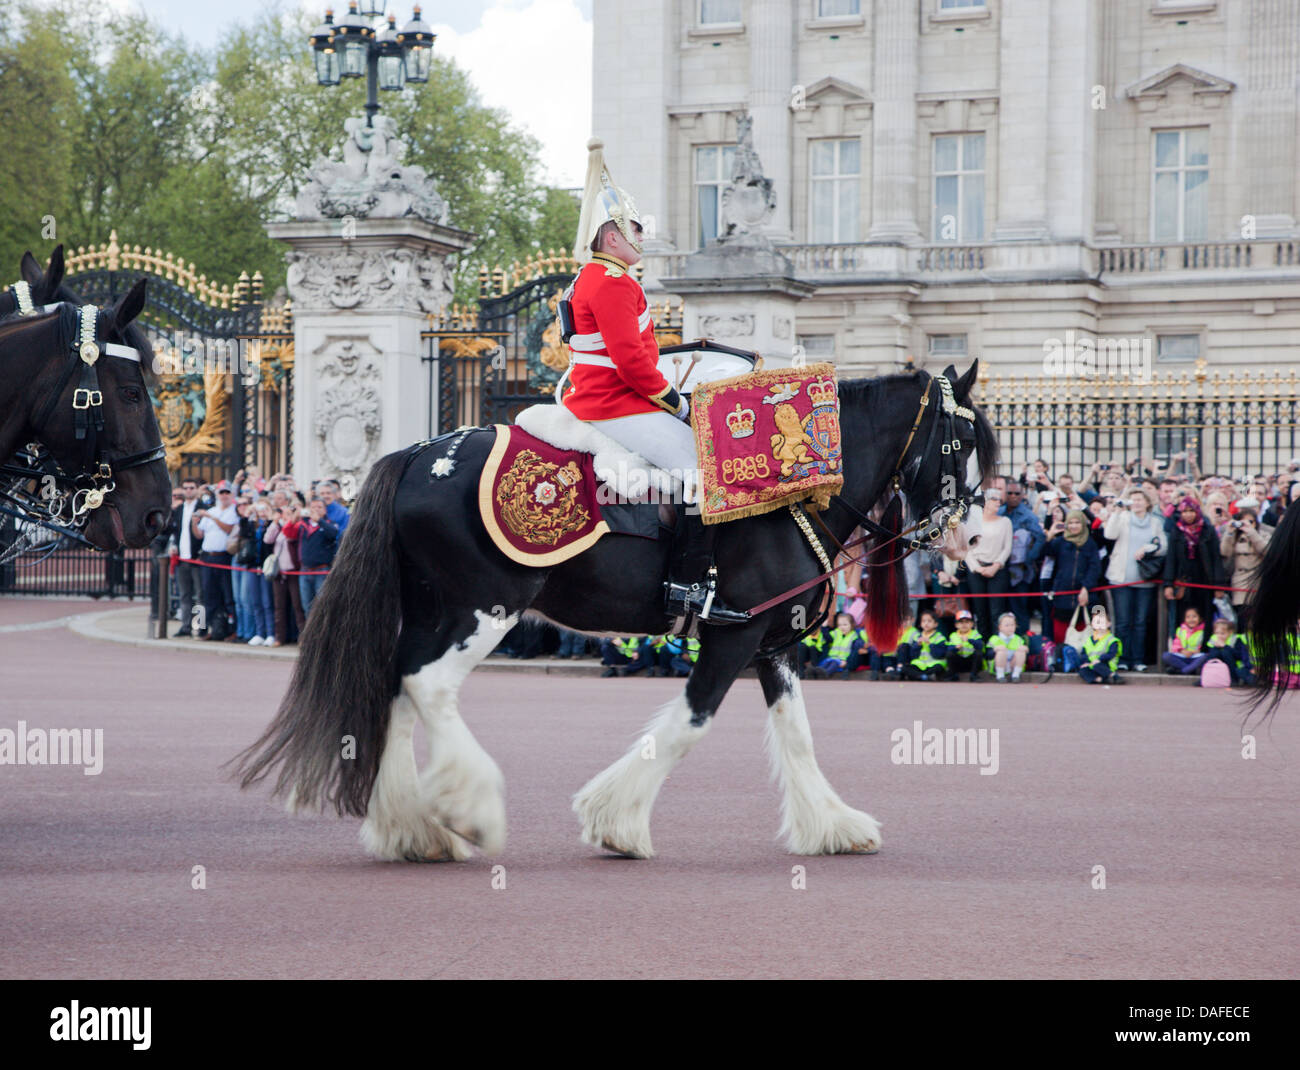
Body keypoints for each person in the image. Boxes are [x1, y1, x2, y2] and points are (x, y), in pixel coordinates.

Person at [559, 138, 747, 625]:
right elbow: (632, 365)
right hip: (614, 402)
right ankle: (686, 590)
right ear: (612, 235)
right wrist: (678, 405)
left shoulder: (593, 277)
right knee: (701, 474)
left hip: (607, 395)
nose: (641, 234)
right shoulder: (615, 282)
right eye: (634, 227)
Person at [1101, 487, 1166, 672]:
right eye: (1133, 499)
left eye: (1139, 499)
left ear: (1147, 503)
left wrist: (1148, 548)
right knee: (1122, 621)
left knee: (1140, 622)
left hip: (1144, 579)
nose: (1136, 503)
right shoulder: (1122, 518)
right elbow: (1109, 535)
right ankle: (1121, 658)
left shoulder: (1155, 522)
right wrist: (1116, 511)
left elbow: (1163, 546)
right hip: (1121, 579)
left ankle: (1137, 659)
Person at [1163, 496, 1225, 642]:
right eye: (1185, 511)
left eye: (1191, 511)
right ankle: (1183, 649)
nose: (1188, 515)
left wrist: (1219, 585)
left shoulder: (1207, 530)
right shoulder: (1177, 531)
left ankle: (1203, 650)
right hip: (1184, 581)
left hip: (1205, 580)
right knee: (1184, 616)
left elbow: (1216, 558)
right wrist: (1168, 584)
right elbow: (1171, 558)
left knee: (1205, 615)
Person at [1041, 510, 1100, 648]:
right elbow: (1044, 553)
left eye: (1077, 522)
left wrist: (1086, 587)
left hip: (1083, 596)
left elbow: (1094, 568)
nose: (1074, 526)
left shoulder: (1090, 544)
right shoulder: (1060, 542)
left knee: (1082, 632)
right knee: (1060, 633)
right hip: (1062, 596)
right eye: (1071, 523)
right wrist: (1049, 536)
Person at [961, 488, 1012, 637]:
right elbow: (966, 547)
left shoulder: (1005, 522)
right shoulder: (972, 521)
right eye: (995, 499)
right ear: (985, 501)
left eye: (1000, 500)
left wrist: (996, 565)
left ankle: (996, 645)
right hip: (976, 570)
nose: (998, 503)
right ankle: (982, 645)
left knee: (997, 611)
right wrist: (977, 568)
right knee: (980, 611)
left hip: (997, 570)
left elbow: (1007, 548)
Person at [192, 483, 238, 640]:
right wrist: (194, 522)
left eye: (227, 493)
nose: (224, 495)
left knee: (227, 594)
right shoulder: (211, 511)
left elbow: (228, 529)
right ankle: (207, 628)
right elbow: (199, 534)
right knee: (207, 594)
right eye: (221, 493)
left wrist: (212, 517)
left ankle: (232, 629)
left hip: (223, 556)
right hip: (208, 556)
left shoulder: (233, 512)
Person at [1000, 480, 1046, 634]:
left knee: (1019, 608)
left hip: (1020, 571)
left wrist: (1028, 559)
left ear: (1022, 495)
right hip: (1000, 567)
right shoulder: (999, 512)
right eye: (1010, 493)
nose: (1013, 496)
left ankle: (1022, 643)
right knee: (1001, 608)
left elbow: (1040, 538)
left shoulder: (1028, 516)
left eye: (1016, 493)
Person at [1219, 507, 1270, 633]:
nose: (1247, 525)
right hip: (1240, 580)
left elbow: (1268, 552)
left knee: (1257, 618)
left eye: (1251, 522)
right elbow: (1224, 552)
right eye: (1243, 522)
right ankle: (1243, 649)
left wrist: (1252, 533)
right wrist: (1229, 533)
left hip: (1257, 580)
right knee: (1242, 618)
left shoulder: (1263, 534)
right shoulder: (1235, 535)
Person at [264, 504, 306, 646]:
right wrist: (275, 522)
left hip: (293, 571)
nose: (285, 516)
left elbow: (291, 535)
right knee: (279, 606)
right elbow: (267, 539)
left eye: (289, 513)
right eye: (284, 513)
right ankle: (279, 637)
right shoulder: (278, 528)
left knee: (298, 606)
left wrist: (292, 521)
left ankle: (303, 637)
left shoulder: (296, 526)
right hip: (279, 573)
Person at [291, 497, 339, 616]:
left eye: (319, 507)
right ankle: (310, 634)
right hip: (304, 570)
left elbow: (334, 534)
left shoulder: (329, 523)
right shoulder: (302, 524)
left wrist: (319, 521)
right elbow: (288, 532)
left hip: (321, 570)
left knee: (322, 606)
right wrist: (294, 518)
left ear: (325, 510)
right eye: (313, 507)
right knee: (306, 606)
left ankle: (323, 634)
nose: (316, 509)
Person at [170, 477, 202, 636]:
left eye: (191, 487)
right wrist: (174, 546)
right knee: (185, 595)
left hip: (197, 559)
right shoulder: (180, 509)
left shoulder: (204, 508)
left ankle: (201, 627)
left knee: (200, 595)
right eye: (186, 488)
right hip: (182, 558)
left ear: (197, 489)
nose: (189, 490)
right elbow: (176, 531)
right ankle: (186, 626)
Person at [807, 612, 866, 679]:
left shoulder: (854, 636)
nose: (842, 627)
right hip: (831, 658)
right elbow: (827, 637)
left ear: (852, 625)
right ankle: (815, 672)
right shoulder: (836, 633)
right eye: (839, 625)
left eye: (845, 625)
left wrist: (847, 662)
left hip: (842, 661)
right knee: (826, 663)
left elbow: (854, 652)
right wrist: (824, 626)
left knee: (834, 664)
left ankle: (825, 674)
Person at [1078, 605, 1124, 685]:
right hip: (1092, 664)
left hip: (1106, 664)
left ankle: (1114, 676)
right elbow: (1084, 653)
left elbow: (1111, 654)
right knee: (1082, 669)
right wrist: (1086, 662)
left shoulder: (1111, 639)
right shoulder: (1089, 640)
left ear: (1109, 624)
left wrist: (1099, 660)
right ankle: (1100, 679)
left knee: (1098, 666)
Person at [898, 610, 949, 681]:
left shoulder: (940, 637)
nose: (926, 624)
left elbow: (939, 655)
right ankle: (924, 676)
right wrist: (917, 645)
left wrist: (930, 644)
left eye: (929, 621)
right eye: (924, 621)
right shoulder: (917, 636)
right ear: (920, 624)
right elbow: (913, 656)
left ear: (936, 624)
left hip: (934, 663)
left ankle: (923, 676)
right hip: (920, 664)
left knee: (938, 668)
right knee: (905, 668)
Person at [1204, 618, 1254, 688]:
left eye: (1222, 633)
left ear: (1230, 632)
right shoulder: (1213, 639)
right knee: (1214, 654)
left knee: (1225, 652)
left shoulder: (1236, 639)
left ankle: (1233, 679)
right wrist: (1216, 648)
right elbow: (1210, 657)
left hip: (1234, 666)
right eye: (1217, 633)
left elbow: (1239, 655)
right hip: (1220, 666)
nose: (1219, 636)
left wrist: (1225, 646)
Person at [1162, 606, 1208, 675]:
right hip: (1182, 656)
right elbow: (1176, 644)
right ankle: (1190, 670)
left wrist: (1193, 652)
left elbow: (1205, 646)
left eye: (1194, 616)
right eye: (1188, 617)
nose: (1191, 619)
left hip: (1196, 656)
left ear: (1200, 619)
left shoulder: (1203, 631)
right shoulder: (1180, 630)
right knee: (1166, 656)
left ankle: (1182, 671)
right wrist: (1182, 651)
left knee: (1206, 657)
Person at [985, 613, 1028, 683]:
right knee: (1001, 651)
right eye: (1007, 625)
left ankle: (1016, 675)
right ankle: (1000, 675)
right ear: (1000, 627)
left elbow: (1025, 656)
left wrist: (1025, 649)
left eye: (1012, 625)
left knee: (1021, 651)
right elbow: (988, 655)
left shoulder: (1019, 639)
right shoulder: (994, 638)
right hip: (998, 665)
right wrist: (995, 650)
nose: (1010, 627)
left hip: (1012, 664)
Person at [946, 609, 984, 682]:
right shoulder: (953, 635)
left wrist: (969, 640)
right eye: (961, 622)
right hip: (959, 662)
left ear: (972, 624)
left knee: (979, 653)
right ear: (956, 625)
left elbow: (980, 646)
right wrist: (955, 648)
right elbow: (948, 649)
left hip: (971, 662)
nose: (964, 625)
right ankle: (953, 675)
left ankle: (974, 675)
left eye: (967, 622)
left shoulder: (975, 634)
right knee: (950, 654)